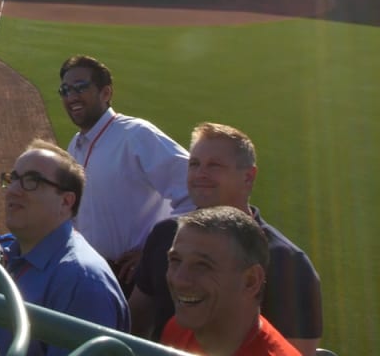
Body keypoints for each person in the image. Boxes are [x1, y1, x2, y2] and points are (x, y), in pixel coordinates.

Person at [130, 123, 322, 354]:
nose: (200, 174)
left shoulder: (289, 263)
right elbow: (135, 324)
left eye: (214, 166)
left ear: (248, 177)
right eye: (194, 164)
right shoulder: (164, 235)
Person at [59, 54, 192, 292]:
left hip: (133, 278)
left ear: (106, 93)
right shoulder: (75, 144)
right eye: (65, 90)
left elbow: (195, 191)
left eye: (80, 87)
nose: (71, 97)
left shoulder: (136, 135)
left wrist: (156, 250)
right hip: (92, 273)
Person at [0, 138, 129, 356]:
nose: (13, 191)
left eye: (32, 181)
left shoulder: (81, 281)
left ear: (66, 202)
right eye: (13, 179)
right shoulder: (16, 253)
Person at [160, 206, 300, 356]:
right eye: (175, 260)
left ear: (250, 281)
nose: (179, 280)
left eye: (202, 265)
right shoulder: (177, 329)